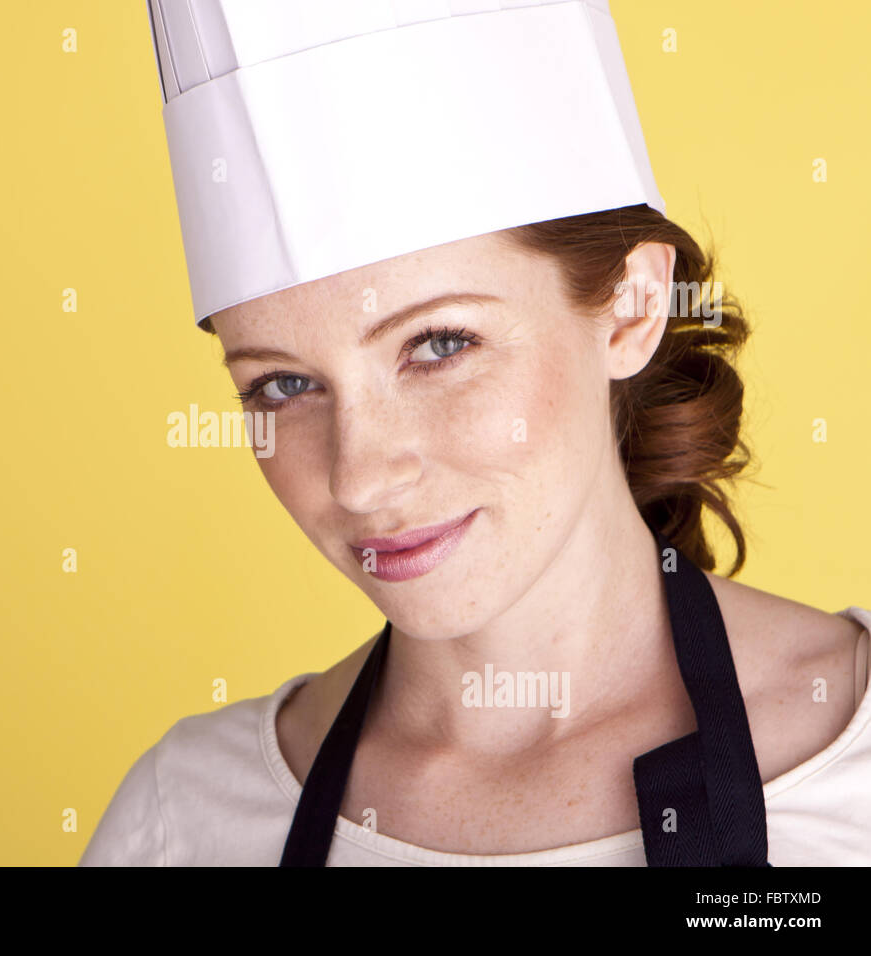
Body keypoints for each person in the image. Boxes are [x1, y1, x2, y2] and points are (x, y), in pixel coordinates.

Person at [79, 0, 871, 866]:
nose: (361, 478)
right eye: (284, 383)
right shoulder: (184, 818)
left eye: (439, 345)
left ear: (632, 308)